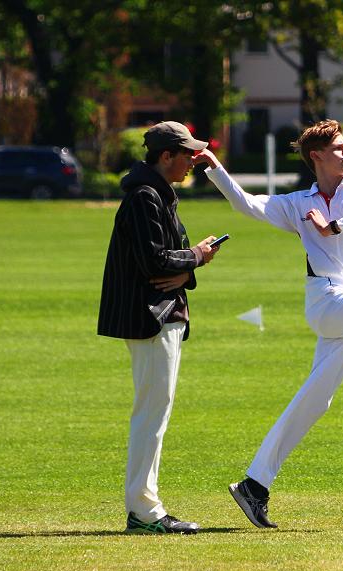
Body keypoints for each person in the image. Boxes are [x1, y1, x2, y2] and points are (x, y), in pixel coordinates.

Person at [197, 119, 343, 529]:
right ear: (316, 157)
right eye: (338, 149)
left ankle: (254, 486)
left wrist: (334, 225)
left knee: (315, 402)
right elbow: (247, 204)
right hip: (326, 300)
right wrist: (213, 166)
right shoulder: (297, 203)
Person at [98, 121, 220, 534]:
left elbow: (169, 265)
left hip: (161, 315)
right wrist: (197, 257)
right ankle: (144, 511)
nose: (193, 160)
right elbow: (154, 263)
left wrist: (188, 267)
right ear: (165, 156)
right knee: (151, 414)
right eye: (187, 154)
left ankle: (144, 507)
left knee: (154, 413)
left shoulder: (155, 194)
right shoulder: (146, 197)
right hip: (151, 318)